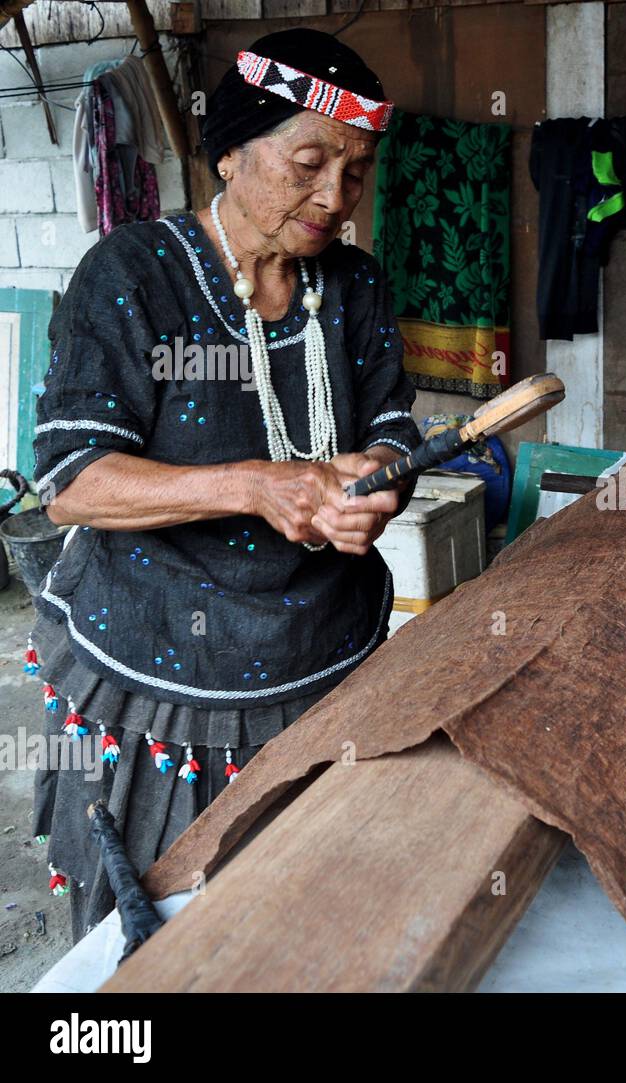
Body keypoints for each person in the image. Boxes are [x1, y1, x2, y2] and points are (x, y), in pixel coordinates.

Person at [27, 28, 422, 942]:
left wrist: (380, 481)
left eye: (355, 171)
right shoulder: (132, 276)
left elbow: (394, 422)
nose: (334, 196)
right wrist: (255, 485)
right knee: (173, 915)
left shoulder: (352, 284)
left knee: (312, 903)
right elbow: (72, 480)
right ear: (234, 150)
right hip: (167, 664)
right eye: (309, 161)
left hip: (327, 653)